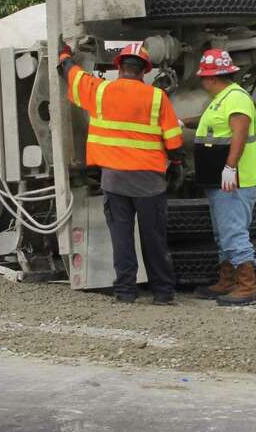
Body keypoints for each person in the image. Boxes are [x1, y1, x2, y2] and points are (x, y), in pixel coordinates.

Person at [58, 41, 184, 304]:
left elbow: (73, 75)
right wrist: (176, 164)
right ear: (144, 71)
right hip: (150, 182)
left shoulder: (101, 91)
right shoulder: (157, 97)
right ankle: (163, 293)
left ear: (120, 67)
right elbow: (174, 142)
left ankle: (126, 291)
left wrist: (65, 55)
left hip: (114, 180)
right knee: (154, 239)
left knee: (122, 238)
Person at [192, 49, 256, 306]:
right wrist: (182, 122)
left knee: (233, 232)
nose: (202, 83)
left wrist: (230, 167)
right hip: (222, 179)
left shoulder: (235, 99)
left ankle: (247, 286)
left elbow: (240, 133)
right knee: (222, 232)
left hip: (235, 179)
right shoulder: (223, 98)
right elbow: (212, 125)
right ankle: (227, 281)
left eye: (204, 78)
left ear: (212, 78)